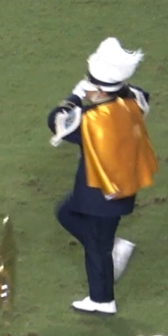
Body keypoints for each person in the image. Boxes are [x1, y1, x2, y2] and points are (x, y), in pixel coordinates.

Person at [48, 38, 157, 316]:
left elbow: (57, 121)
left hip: (99, 194)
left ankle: (102, 300)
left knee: (96, 248)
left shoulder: (91, 121)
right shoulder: (132, 101)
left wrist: (73, 97)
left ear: (97, 91)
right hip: (123, 186)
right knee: (66, 214)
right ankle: (113, 250)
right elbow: (139, 93)